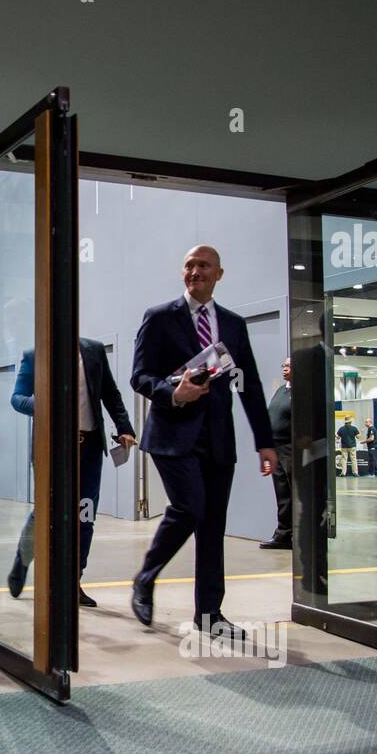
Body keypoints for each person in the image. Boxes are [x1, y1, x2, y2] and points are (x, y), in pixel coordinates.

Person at [128, 244, 277, 638]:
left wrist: (266, 441)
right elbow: (140, 376)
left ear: (219, 274)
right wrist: (174, 392)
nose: (196, 272)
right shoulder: (159, 318)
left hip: (217, 439)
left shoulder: (233, 324)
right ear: (183, 273)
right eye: (189, 266)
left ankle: (210, 614)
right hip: (171, 435)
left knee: (213, 526)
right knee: (189, 508)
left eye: (203, 266)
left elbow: (252, 387)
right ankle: (146, 575)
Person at [5, 338, 137, 607]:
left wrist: (125, 427)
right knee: (45, 510)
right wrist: (41, 405)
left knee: (84, 513)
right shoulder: (35, 354)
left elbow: (110, 393)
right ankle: (23, 560)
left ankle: (73, 580)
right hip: (51, 447)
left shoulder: (94, 351)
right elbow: (17, 398)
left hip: (88, 446)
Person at [260, 357, 292, 550]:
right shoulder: (281, 390)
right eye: (284, 365)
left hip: (291, 449)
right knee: (282, 493)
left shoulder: (303, 392)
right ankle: (283, 534)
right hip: (276, 448)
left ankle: (299, 534)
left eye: (289, 365)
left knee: (295, 493)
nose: (285, 369)